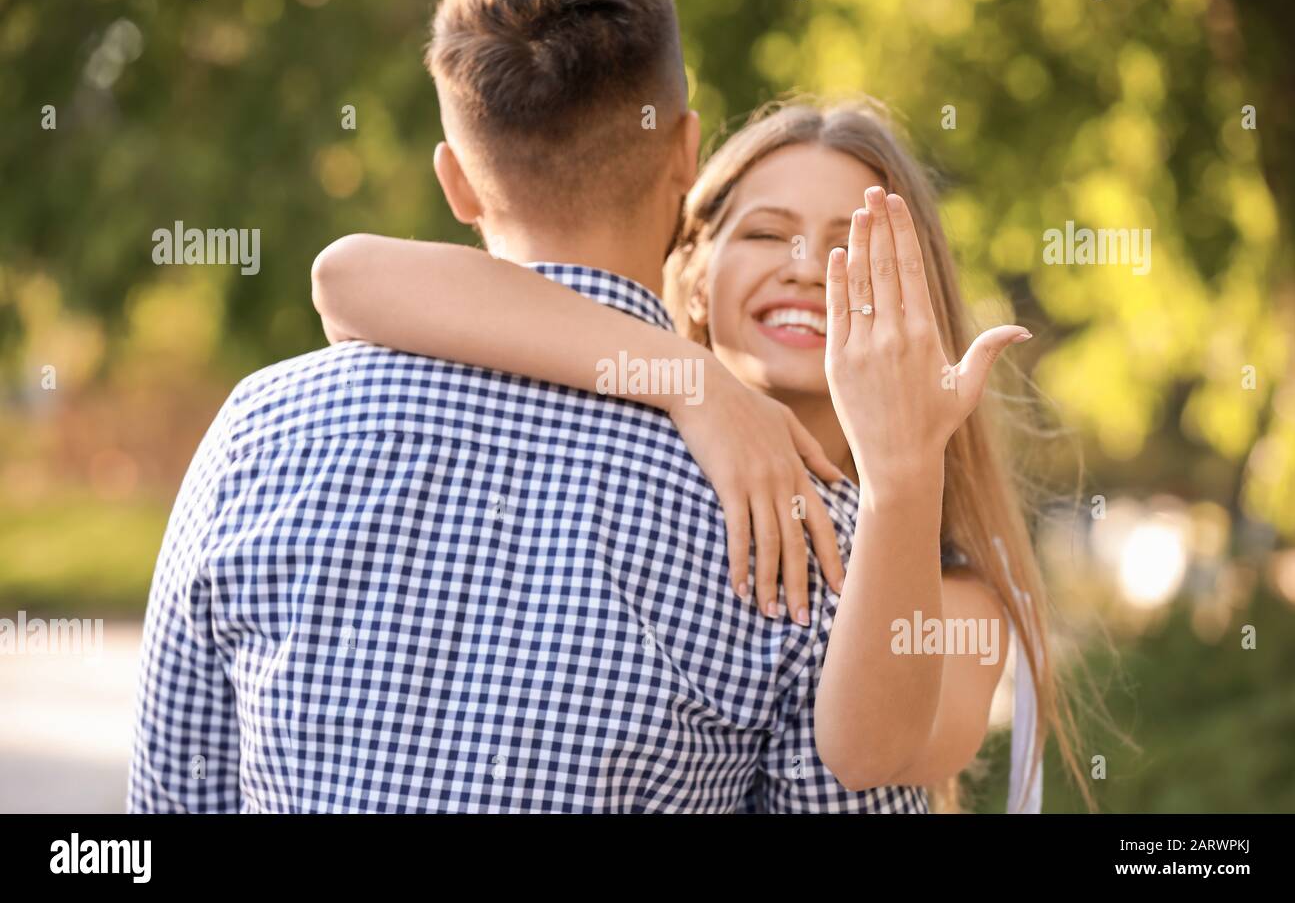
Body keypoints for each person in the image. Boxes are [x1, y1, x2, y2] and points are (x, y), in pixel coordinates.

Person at [130, 0, 946, 813]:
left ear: (455, 182)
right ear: (686, 155)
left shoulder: (260, 432)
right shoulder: (804, 529)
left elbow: (174, 796)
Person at [311, 90, 1099, 813]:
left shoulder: (959, 588)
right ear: (693, 273)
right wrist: (693, 381)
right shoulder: (634, 428)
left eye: (849, 249)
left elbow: (870, 753)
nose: (804, 270)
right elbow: (348, 276)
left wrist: (901, 477)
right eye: (765, 233)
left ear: (912, 301)